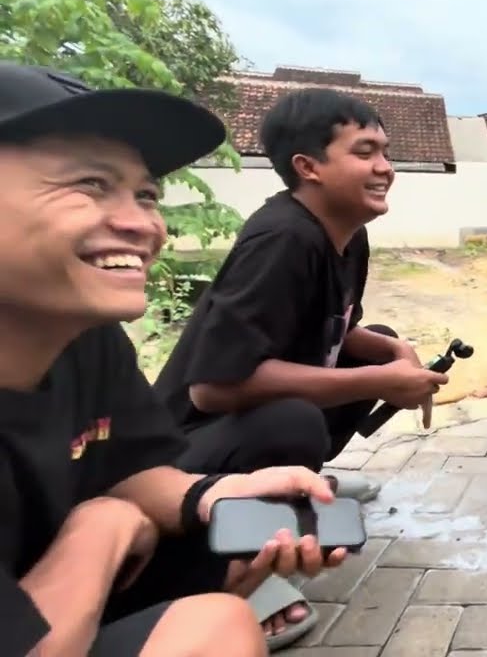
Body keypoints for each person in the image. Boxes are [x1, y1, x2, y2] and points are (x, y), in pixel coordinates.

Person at [0, 62, 349, 657]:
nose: (142, 224)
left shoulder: (86, 334)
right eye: (87, 185)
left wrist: (217, 496)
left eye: (145, 194)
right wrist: (101, 526)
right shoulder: (285, 237)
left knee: (214, 546)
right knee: (213, 627)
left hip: (55, 586)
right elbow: (218, 382)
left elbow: (130, 471)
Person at [152, 87, 447, 643]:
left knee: (375, 342)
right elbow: (213, 389)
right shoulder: (281, 239)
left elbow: (331, 328)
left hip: (232, 431)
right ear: (307, 167)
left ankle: (295, 484)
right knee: (295, 422)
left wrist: (391, 352)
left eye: (386, 151)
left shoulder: (347, 236)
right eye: (364, 152)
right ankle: (239, 570)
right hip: (180, 455)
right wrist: (382, 380)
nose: (386, 167)